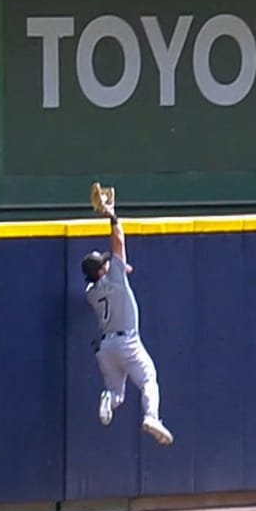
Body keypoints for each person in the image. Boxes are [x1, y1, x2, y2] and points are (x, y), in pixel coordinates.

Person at [80, 190, 173, 446]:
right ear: (102, 270)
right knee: (148, 380)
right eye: (104, 263)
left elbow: (112, 264)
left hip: (106, 348)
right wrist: (112, 217)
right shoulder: (115, 278)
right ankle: (152, 417)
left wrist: (116, 266)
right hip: (128, 343)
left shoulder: (90, 291)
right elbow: (118, 242)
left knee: (116, 394)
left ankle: (107, 400)